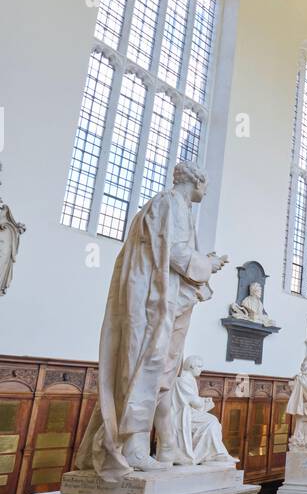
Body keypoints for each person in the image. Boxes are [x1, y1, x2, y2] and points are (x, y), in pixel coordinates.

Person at [76, 162, 228, 474]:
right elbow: (172, 252)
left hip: (167, 302)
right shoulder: (167, 203)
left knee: (162, 374)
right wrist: (207, 264)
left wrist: (202, 264)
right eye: (206, 184)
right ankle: (133, 449)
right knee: (143, 369)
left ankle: (163, 448)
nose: (207, 191)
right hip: (150, 303)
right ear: (196, 181)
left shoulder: (180, 207)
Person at [165, 356, 235, 467]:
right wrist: (205, 402)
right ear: (190, 366)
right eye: (199, 366)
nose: (201, 369)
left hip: (189, 412)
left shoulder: (190, 379)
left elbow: (194, 401)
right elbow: (195, 402)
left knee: (213, 422)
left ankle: (215, 453)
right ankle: (211, 454)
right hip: (181, 415)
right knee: (211, 421)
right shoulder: (182, 380)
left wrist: (203, 402)